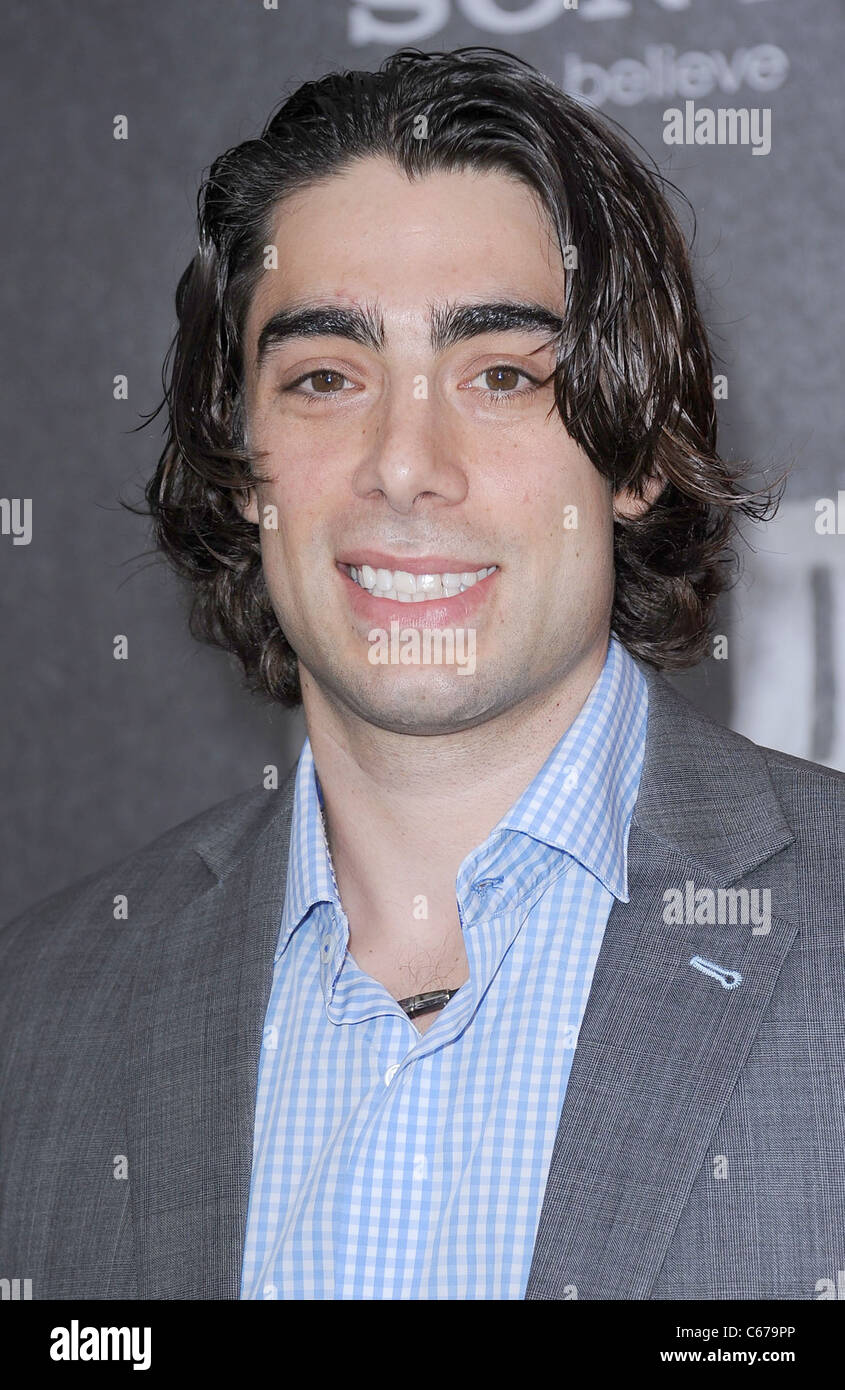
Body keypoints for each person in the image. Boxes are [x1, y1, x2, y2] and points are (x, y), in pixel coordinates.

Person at [1, 46, 843, 1303]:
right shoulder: (37, 1018)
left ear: (634, 455)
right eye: (325, 378)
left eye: (500, 374)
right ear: (241, 470)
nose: (404, 464)